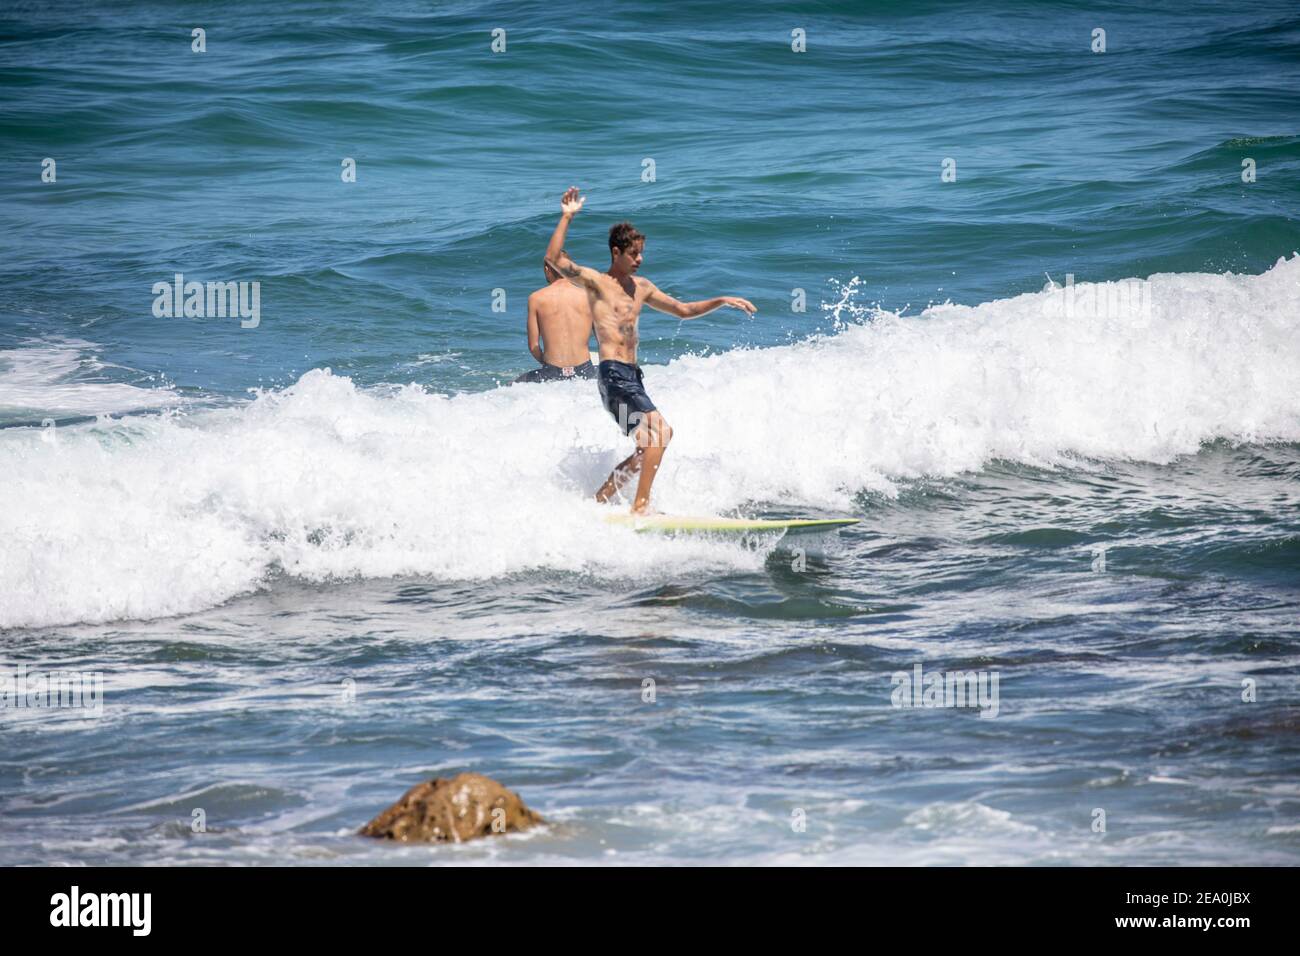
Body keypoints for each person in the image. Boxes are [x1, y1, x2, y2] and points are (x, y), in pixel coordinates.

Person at [543, 186, 757, 514]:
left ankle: (598, 502)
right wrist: (567, 217)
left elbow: (683, 310)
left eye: (642, 253)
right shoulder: (597, 282)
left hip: (633, 377)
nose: (640, 259)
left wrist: (722, 300)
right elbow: (555, 259)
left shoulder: (642, 288)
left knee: (647, 447)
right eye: (633, 254)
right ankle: (641, 506)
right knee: (662, 433)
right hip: (613, 375)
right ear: (616, 253)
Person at [513, 260, 597, 383]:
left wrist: (549, 366)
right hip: (585, 371)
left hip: (552, 372)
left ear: (547, 269)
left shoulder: (536, 298)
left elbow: (533, 346)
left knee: (512, 386)